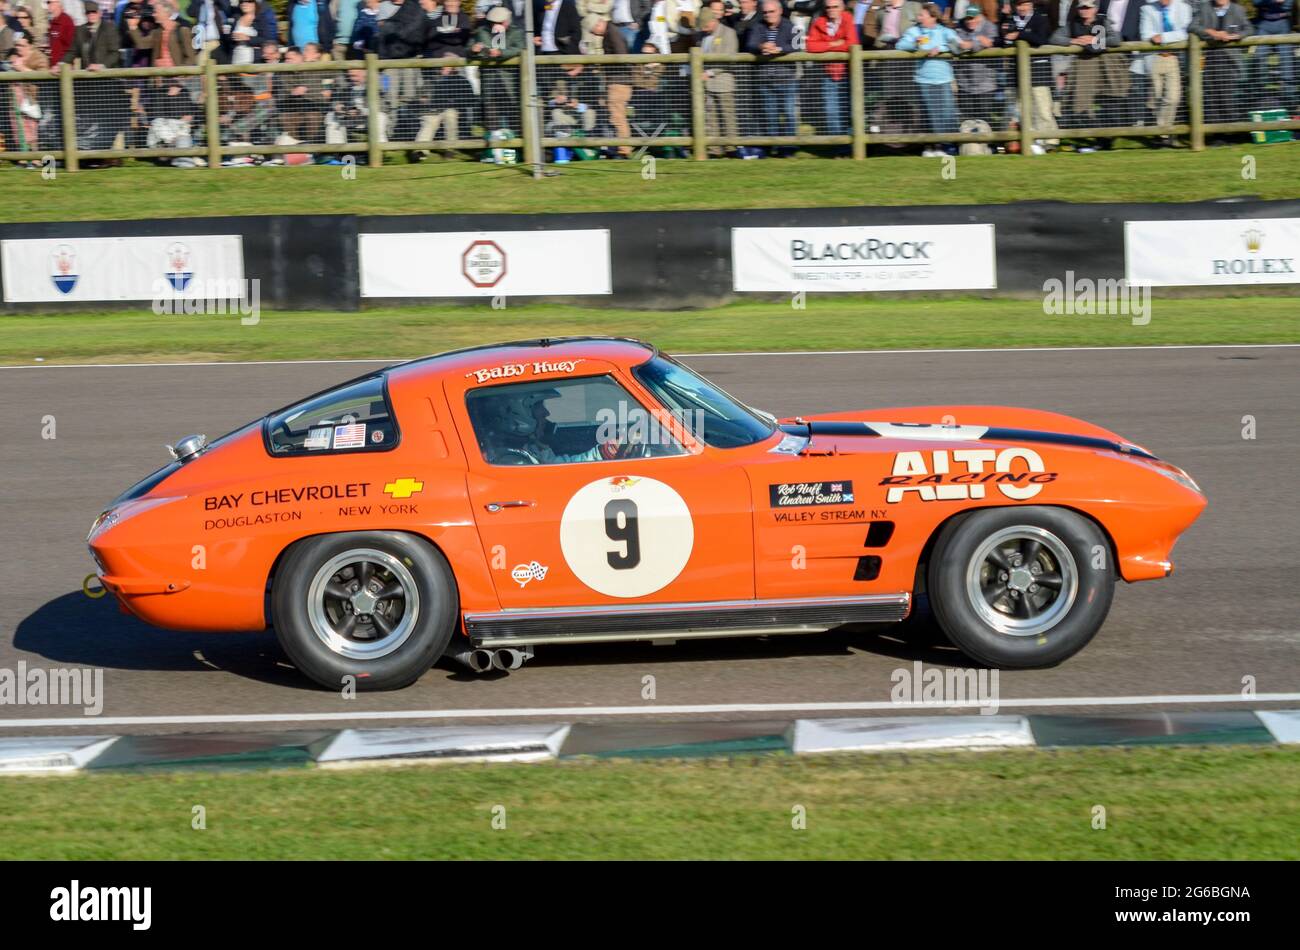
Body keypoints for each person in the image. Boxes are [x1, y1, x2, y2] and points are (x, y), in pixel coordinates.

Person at [896, 2, 960, 154]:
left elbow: (957, 44)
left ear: (933, 17)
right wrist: (916, 43)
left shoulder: (944, 31)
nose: (918, 17)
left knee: (947, 113)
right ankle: (931, 146)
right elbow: (900, 45)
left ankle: (949, 146)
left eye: (922, 15)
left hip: (944, 79)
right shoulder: (914, 31)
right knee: (928, 113)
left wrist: (941, 49)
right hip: (924, 79)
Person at [1057, 0, 1123, 147]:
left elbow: (1116, 40)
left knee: (1108, 104)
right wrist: (1073, 41)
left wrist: (1095, 40)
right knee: (1080, 106)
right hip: (1084, 71)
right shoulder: (1073, 24)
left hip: (1105, 69)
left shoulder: (1102, 21)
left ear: (1095, 9)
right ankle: (1095, 137)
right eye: (1082, 8)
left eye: (1088, 7)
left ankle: (1106, 140)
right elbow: (1055, 38)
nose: (1084, 10)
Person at [1002, 0, 1057, 152]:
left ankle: (1050, 141)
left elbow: (1042, 40)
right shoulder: (1009, 19)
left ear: (1031, 5)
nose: (1022, 8)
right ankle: (1019, 141)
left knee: (1042, 107)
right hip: (1015, 71)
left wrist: (1020, 34)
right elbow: (1002, 41)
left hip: (1038, 70)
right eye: (1019, 5)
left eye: (1025, 4)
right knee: (1015, 108)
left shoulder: (1040, 19)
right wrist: (1007, 37)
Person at [1138, 0, 1193, 147]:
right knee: (1155, 98)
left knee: (1173, 97)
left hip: (1173, 58)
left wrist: (1163, 38)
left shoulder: (1184, 7)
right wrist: (1160, 37)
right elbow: (1145, 34)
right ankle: (1164, 136)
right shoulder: (1147, 9)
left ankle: (1163, 132)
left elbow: (1186, 33)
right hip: (1154, 58)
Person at [746, 0, 796, 155]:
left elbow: (798, 45)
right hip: (766, 79)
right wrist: (762, 46)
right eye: (766, 12)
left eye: (772, 12)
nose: (768, 15)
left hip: (786, 78)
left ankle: (788, 148)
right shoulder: (757, 26)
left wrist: (779, 49)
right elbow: (750, 44)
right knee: (770, 114)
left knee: (788, 113)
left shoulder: (791, 26)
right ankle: (772, 146)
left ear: (780, 11)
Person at [1193, 0, 1252, 129]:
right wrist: (1212, 32)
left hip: (1230, 60)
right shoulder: (1204, 7)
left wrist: (1236, 36)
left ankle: (1231, 131)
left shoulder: (1238, 9)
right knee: (1212, 96)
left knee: (1228, 96)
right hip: (1210, 58)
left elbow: (1249, 29)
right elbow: (1192, 26)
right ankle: (1215, 132)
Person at [805, 0, 859, 138]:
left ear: (842, 7)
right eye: (828, 7)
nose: (831, 9)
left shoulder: (847, 18)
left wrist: (825, 46)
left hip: (849, 73)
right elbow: (811, 46)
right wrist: (834, 43)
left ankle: (851, 144)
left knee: (851, 110)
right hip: (829, 74)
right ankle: (838, 146)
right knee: (831, 110)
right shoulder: (820, 21)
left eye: (835, 7)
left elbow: (852, 43)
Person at [470, 4, 524, 134]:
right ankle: (494, 151)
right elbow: (470, 47)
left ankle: (516, 149)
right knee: (491, 120)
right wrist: (473, 50)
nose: (495, 25)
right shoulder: (482, 31)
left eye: (499, 22)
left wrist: (501, 53)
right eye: (493, 22)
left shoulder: (516, 32)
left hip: (509, 82)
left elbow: (519, 48)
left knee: (514, 119)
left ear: (506, 21)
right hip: (490, 82)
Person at [697, 7, 738, 155]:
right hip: (708, 85)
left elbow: (729, 59)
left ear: (714, 21)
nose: (704, 29)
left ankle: (731, 147)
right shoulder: (703, 37)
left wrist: (710, 72)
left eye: (706, 26)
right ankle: (714, 148)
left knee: (728, 117)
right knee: (711, 117)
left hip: (724, 83)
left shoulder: (729, 33)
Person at [953, 4, 998, 128]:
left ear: (980, 16)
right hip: (965, 84)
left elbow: (990, 42)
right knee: (967, 121)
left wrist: (970, 44)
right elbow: (956, 45)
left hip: (986, 85)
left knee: (984, 121)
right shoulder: (960, 26)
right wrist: (978, 40)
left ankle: (986, 147)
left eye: (973, 18)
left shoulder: (990, 27)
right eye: (968, 18)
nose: (970, 21)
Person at [1247, 0, 1293, 113]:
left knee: (1287, 63)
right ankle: (1257, 99)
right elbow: (1256, 2)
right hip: (1263, 24)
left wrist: (1267, 3)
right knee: (1259, 60)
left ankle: (1290, 100)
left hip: (1283, 24)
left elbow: (1288, 4)